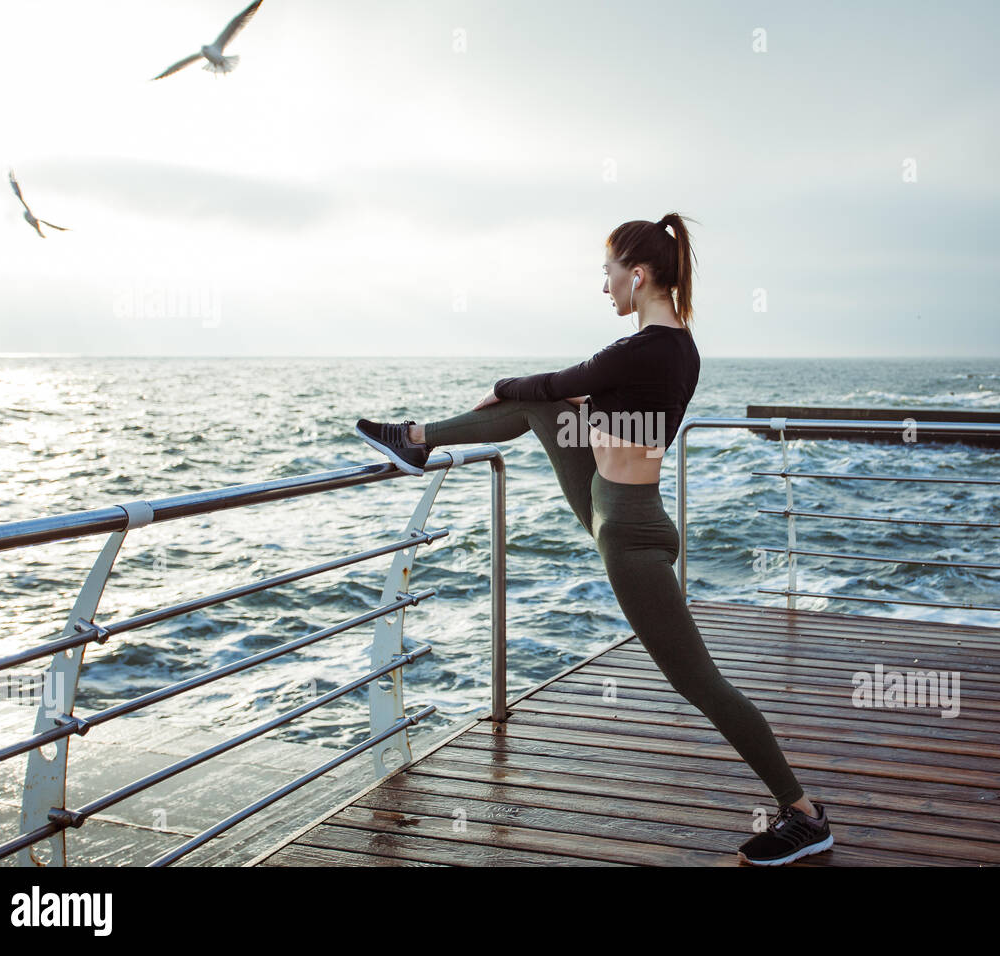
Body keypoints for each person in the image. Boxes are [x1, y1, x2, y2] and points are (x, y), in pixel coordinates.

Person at [355, 213, 833, 866]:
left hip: (631, 535)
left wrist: (500, 387)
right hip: (617, 507)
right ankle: (416, 439)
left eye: (608, 275)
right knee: (539, 407)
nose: (604, 287)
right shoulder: (677, 350)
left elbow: (552, 384)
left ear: (637, 276)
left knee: (699, 682)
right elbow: (612, 414)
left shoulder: (637, 351)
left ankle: (803, 814)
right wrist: (545, 403)